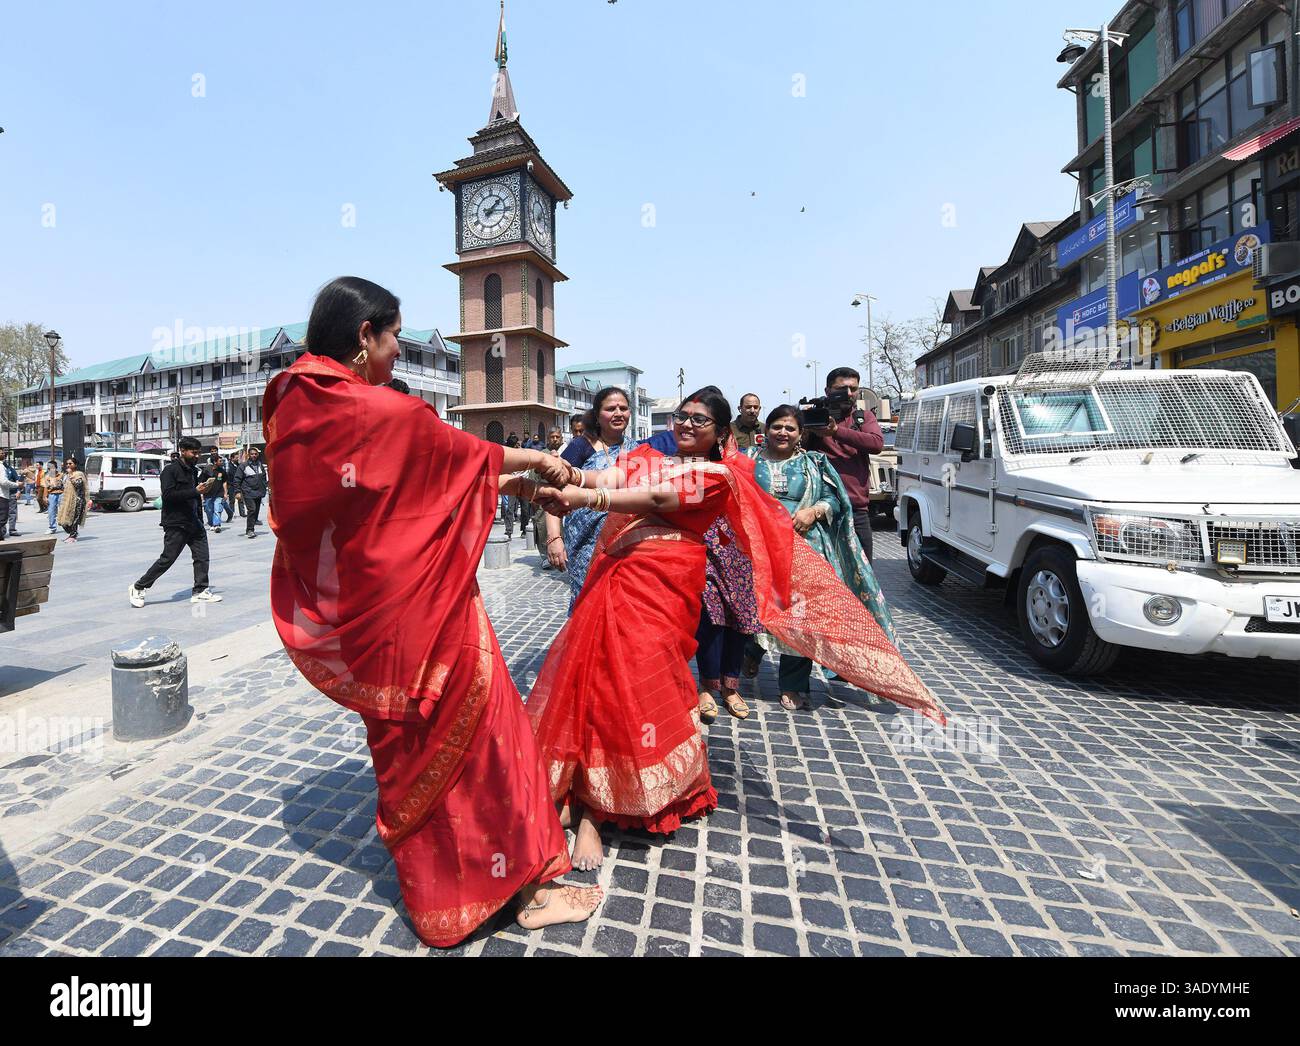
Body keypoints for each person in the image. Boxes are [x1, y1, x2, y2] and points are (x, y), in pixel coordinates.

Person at [265, 275, 600, 945]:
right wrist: (540, 459)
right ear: (365, 337)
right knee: (492, 739)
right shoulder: (379, 412)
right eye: (393, 340)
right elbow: (451, 456)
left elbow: (410, 488)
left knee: (410, 747)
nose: (397, 356)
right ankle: (533, 887)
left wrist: (526, 489)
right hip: (430, 614)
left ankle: (441, 900)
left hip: (374, 623)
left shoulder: (294, 406)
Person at [528, 388, 941, 872]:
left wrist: (586, 494)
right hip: (613, 578)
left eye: (699, 421)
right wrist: (568, 474)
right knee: (594, 679)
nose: (685, 425)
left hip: (663, 591)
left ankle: (604, 807)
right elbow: (616, 473)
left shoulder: (718, 475)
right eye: (682, 416)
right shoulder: (646, 455)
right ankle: (583, 794)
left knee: (637, 686)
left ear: (721, 433)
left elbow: (661, 496)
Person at [745, 405, 897, 709]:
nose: (783, 433)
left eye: (790, 428)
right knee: (755, 611)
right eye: (777, 426)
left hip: (804, 551)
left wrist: (814, 511)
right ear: (766, 430)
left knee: (801, 619)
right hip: (757, 551)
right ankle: (750, 653)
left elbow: (835, 499)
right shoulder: (748, 460)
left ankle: (792, 684)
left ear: (801, 434)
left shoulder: (814, 463)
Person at [544, 387, 675, 611]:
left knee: (621, 607)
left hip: (627, 543)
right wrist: (554, 538)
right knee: (588, 605)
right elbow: (553, 491)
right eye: (610, 408)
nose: (618, 413)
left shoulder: (638, 450)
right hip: (586, 544)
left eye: (623, 408)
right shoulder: (580, 447)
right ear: (597, 415)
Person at [802, 367, 883, 562]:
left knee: (863, 575)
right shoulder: (815, 415)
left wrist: (836, 431)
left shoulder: (863, 417)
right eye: (842, 388)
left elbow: (876, 443)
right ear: (827, 391)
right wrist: (806, 424)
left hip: (856, 510)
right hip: (819, 509)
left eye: (853, 389)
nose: (848, 394)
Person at [129, 436, 222, 606]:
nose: (196, 456)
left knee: (202, 556)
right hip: (176, 522)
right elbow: (169, 496)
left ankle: (200, 589)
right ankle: (139, 586)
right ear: (183, 451)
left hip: (193, 521)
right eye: (194, 453)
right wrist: (195, 491)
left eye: (198, 453)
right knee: (168, 558)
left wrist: (200, 516)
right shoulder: (170, 471)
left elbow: (195, 497)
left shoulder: (193, 471)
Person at [232, 445, 268, 538]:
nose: (254, 455)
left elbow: (263, 477)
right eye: (252, 454)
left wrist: (266, 487)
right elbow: (237, 479)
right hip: (248, 492)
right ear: (248, 455)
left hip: (259, 492)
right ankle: (250, 530)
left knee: (256, 510)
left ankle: (254, 521)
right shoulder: (243, 466)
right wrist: (237, 491)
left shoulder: (260, 465)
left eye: (256, 454)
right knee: (252, 509)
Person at [56, 457, 87, 542]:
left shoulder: (79, 474)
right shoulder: (66, 475)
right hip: (67, 499)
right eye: (67, 464)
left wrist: (70, 476)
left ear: (75, 465)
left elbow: (78, 485)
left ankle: (73, 536)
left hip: (77, 499)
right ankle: (73, 533)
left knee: (74, 519)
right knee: (63, 520)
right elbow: (62, 486)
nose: (68, 465)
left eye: (70, 463)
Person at [201, 450, 228, 533]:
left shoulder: (222, 471)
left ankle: (217, 525)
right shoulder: (206, 470)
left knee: (217, 509)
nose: (221, 462)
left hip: (219, 494)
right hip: (208, 494)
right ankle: (211, 523)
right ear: (215, 462)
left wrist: (225, 493)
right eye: (220, 461)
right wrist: (201, 494)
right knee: (209, 510)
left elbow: (224, 482)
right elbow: (201, 482)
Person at [42, 462, 63, 534]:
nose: (50, 469)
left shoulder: (61, 475)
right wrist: (45, 497)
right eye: (48, 467)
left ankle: (67, 525)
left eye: (51, 467)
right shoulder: (47, 476)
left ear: (55, 467)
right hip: (52, 494)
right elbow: (45, 487)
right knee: (51, 512)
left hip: (61, 494)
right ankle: (52, 527)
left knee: (63, 510)